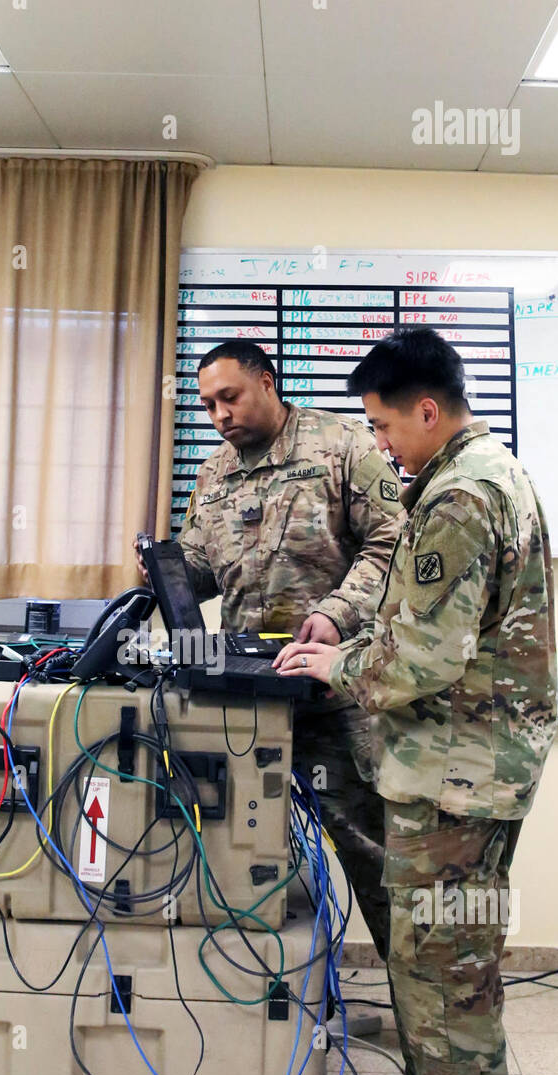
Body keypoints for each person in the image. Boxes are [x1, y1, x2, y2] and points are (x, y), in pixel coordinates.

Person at [274, 327, 557, 1075]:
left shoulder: (460, 499)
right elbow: (435, 628)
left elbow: (426, 659)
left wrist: (336, 666)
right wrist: (354, 633)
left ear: (427, 410)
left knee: (446, 966)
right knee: (438, 950)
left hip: (456, 774)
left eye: (385, 426)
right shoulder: (479, 474)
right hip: (464, 765)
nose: (380, 445)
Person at [135, 339, 404, 962]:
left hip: (334, 693)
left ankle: (420, 1012)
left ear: (267, 380)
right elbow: (204, 569)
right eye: (208, 405)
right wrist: (166, 572)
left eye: (230, 396)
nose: (220, 414)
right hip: (247, 697)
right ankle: (285, 1010)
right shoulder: (214, 472)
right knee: (250, 851)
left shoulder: (341, 446)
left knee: (372, 851)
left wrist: (337, 615)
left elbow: (394, 544)